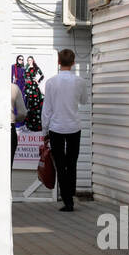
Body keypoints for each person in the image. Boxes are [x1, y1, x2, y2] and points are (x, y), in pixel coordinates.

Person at [42, 48, 90, 211]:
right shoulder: (80, 82)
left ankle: (67, 199)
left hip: (56, 127)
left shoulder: (51, 82)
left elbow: (46, 109)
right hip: (74, 126)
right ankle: (71, 195)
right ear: (74, 62)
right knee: (72, 162)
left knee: (60, 164)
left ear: (58, 62)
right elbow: (84, 101)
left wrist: (44, 131)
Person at [22, 55, 44, 133]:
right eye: (28, 60)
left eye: (30, 60)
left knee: (35, 105)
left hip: (33, 87)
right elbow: (23, 77)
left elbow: (42, 75)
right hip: (27, 87)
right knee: (28, 105)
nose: (29, 61)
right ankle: (28, 125)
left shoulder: (36, 68)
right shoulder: (25, 68)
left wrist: (38, 81)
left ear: (33, 60)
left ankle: (35, 125)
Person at [10, 80, 28, 163]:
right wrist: (14, 119)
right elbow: (22, 113)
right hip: (9, 127)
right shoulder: (13, 87)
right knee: (7, 166)